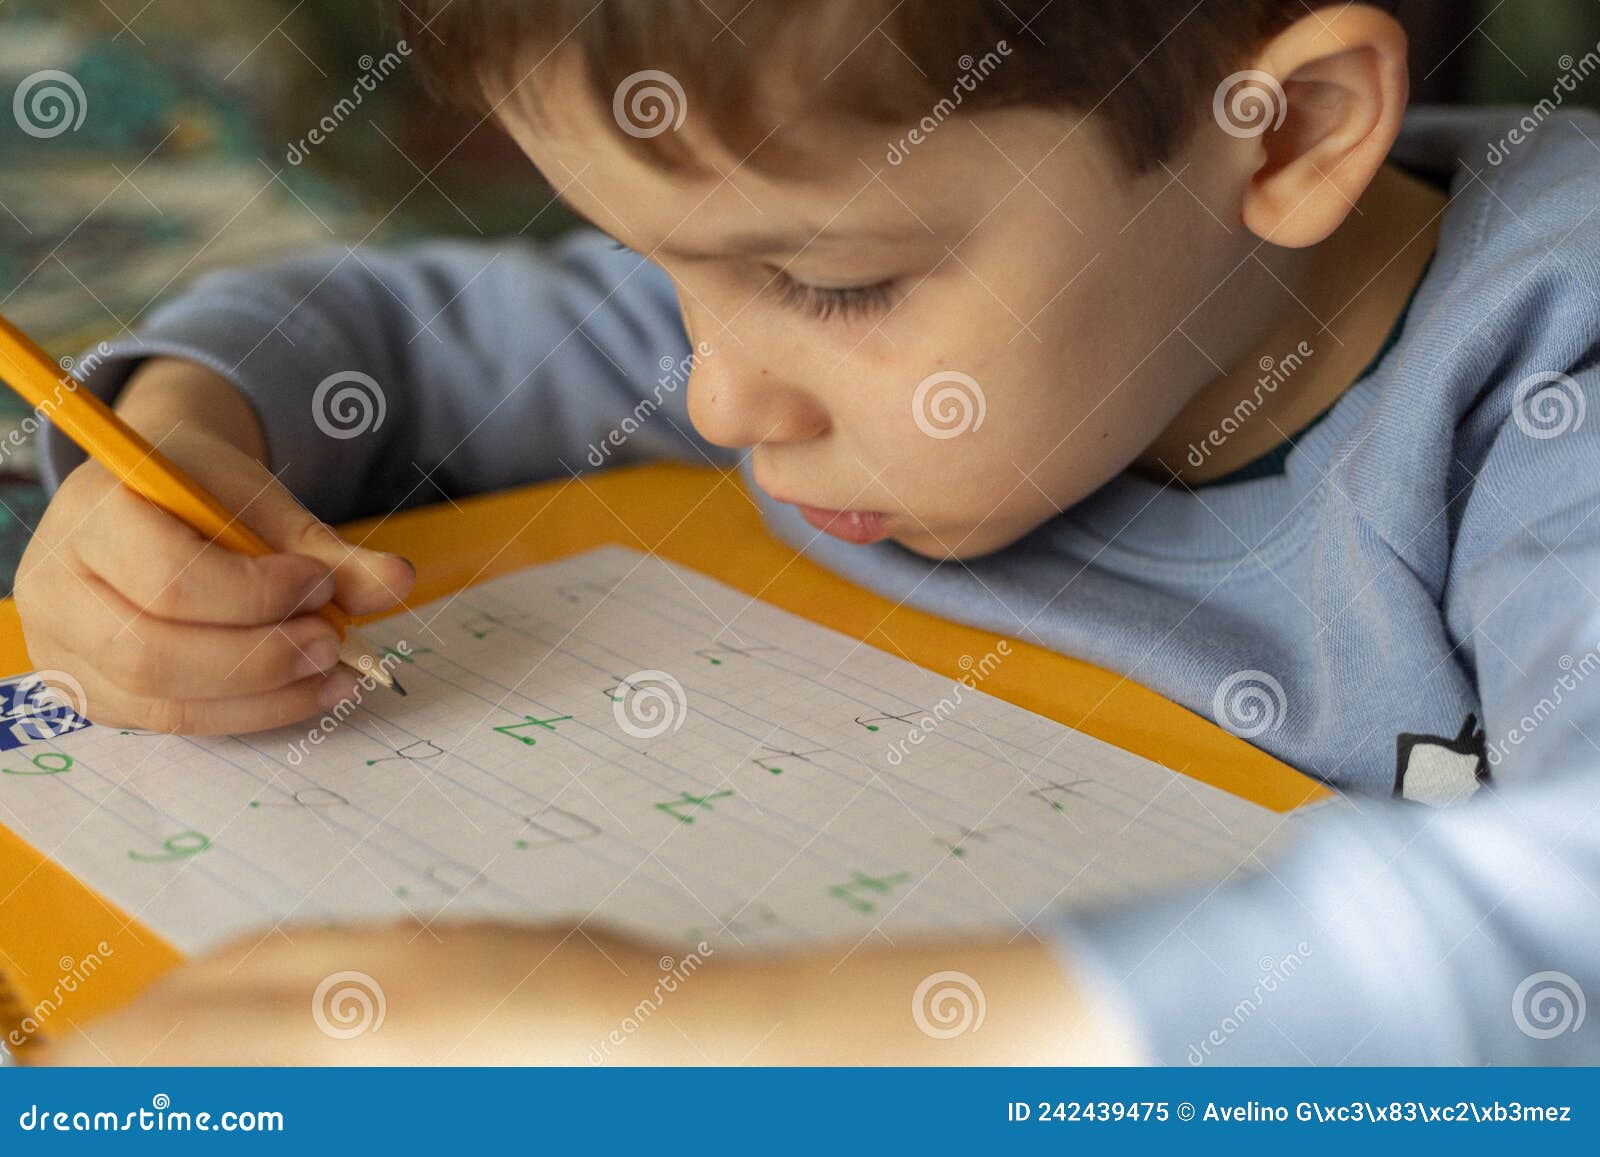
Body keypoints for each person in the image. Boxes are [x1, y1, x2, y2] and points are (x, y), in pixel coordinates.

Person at [20, 1, 1600, 1064]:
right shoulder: (788, 277)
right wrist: (178, 448)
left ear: (1288, 129)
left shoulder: (1550, 383)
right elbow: (380, 335)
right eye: (657, 262)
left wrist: (684, 1042)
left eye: (834, 285)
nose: (714, 392)